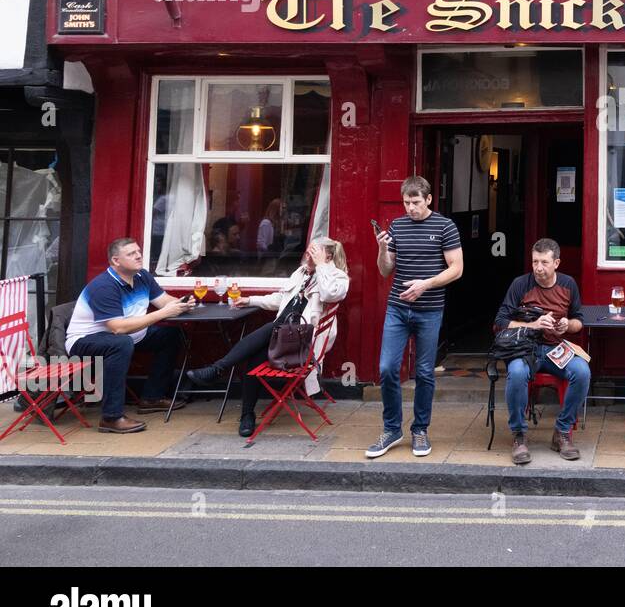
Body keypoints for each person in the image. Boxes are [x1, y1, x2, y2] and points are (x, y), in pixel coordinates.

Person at [185, 238, 349, 438]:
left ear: (328, 256)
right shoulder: (301, 273)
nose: (308, 253)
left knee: (273, 327)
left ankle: (217, 369)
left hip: (302, 347)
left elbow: (329, 293)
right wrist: (250, 300)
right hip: (283, 339)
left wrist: (322, 266)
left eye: (314, 251)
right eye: (309, 249)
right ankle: (247, 415)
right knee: (253, 358)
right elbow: (281, 299)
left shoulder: (338, 278)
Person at [368, 176, 464, 459]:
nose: (410, 207)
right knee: (387, 368)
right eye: (407, 202)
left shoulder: (445, 226)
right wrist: (383, 248)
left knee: (424, 373)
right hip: (397, 308)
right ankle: (391, 428)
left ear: (429, 199)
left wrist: (425, 284)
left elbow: (456, 269)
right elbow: (386, 270)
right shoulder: (397, 226)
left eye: (416, 202)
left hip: (430, 309)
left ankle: (420, 429)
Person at [65, 237, 194, 433]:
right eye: (131, 254)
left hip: (127, 335)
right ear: (116, 261)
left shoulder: (142, 276)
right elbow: (118, 328)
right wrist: (163, 313)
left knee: (170, 334)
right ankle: (111, 417)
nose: (139, 255)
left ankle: (152, 397)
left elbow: (164, 301)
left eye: (139, 251)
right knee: (121, 343)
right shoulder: (104, 286)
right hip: (85, 342)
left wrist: (181, 303)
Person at [494, 238, 589, 465]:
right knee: (516, 373)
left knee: (582, 372)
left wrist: (567, 324)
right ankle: (519, 435)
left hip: (556, 348)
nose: (538, 267)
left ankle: (562, 432)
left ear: (556, 262)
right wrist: (534, 325)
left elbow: (579, 322)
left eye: (544, 262)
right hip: (525, 349)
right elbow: (500, 322)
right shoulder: (521, 284)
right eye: (535, 261)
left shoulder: (568, 284)